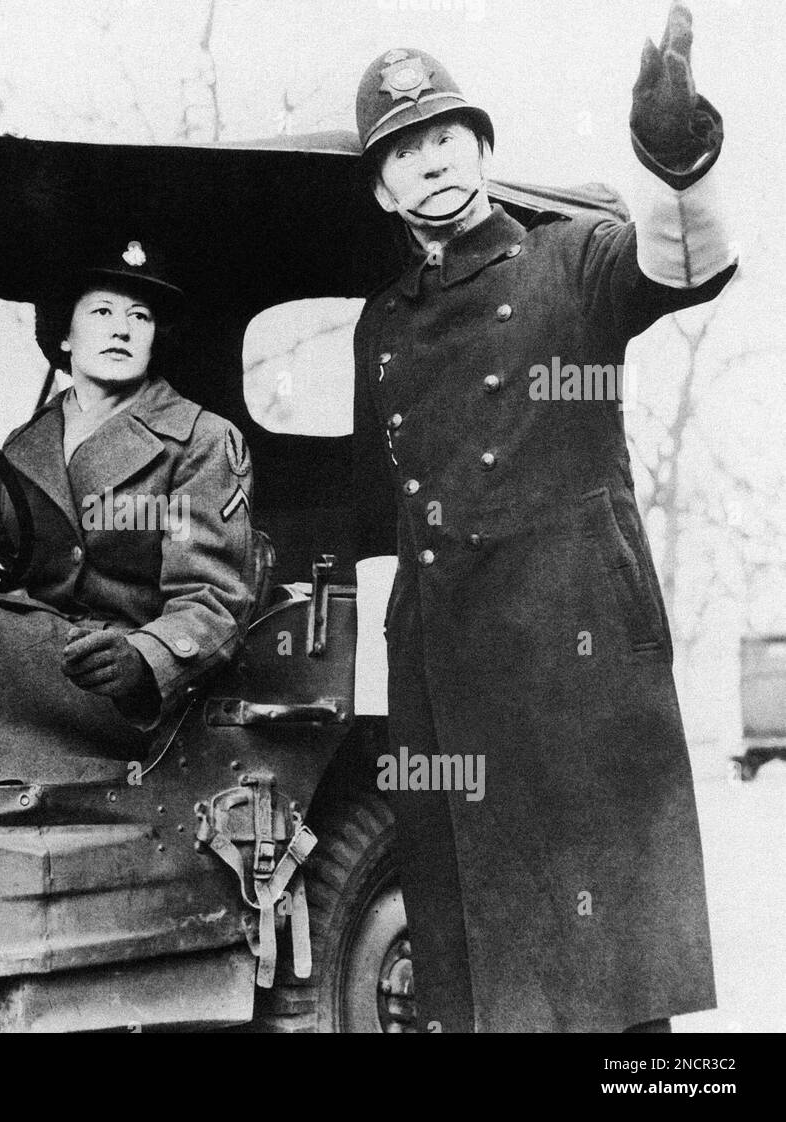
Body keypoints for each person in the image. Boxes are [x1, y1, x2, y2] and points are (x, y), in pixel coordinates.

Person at [350, 2, 736, 1032]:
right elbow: (372, 498)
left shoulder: (574, 260)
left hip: (575, 664)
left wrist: (677, 162)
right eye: (403, 150)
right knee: (478, 975)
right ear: (382, 185)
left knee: (605, 973)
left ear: (479, 148)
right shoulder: (381, 323)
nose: (429, 161)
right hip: (443, 673)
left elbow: (684, 267)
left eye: (444, 136)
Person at [0, 239, 256, 779]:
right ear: (65, 335)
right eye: (102, 312)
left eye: (140, 317)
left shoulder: (200, 440)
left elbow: (211, 602)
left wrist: (144, 659)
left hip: (128, 695)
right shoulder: (25, 443)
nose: (122, 329)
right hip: (31, 663)